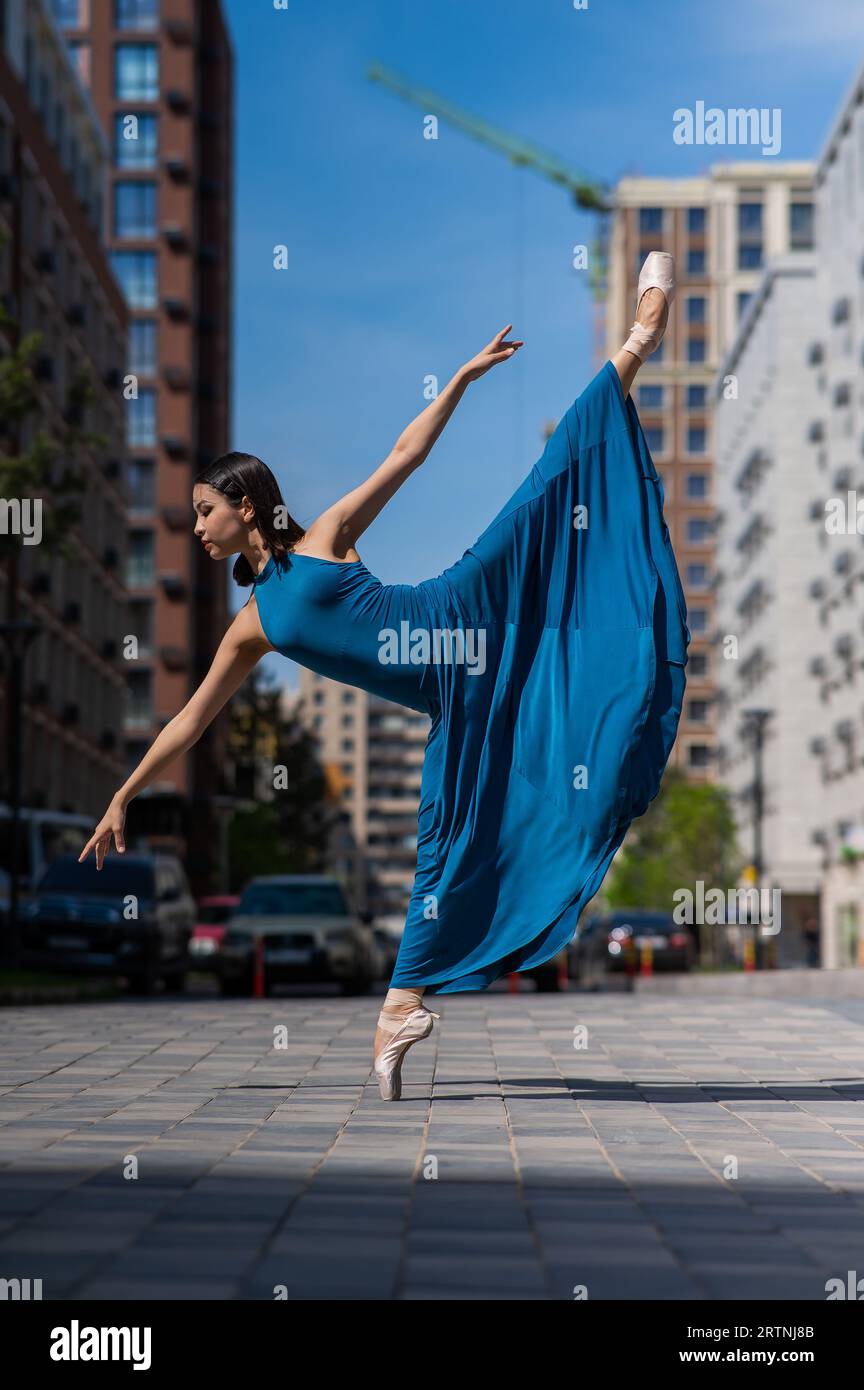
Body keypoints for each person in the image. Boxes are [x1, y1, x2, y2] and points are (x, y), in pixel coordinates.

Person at [80, 252, 688, 1102]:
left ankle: (639, 339)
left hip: (460, 615)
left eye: (205, 512)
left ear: (245, 507)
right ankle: (401, 1009)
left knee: (544, 495)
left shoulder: (324, 537)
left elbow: (407, 454)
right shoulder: (251, 626)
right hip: (452, 696)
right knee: (443, 838)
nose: (198, 530)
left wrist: (462, 379)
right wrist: (124, 793)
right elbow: (189, 722)